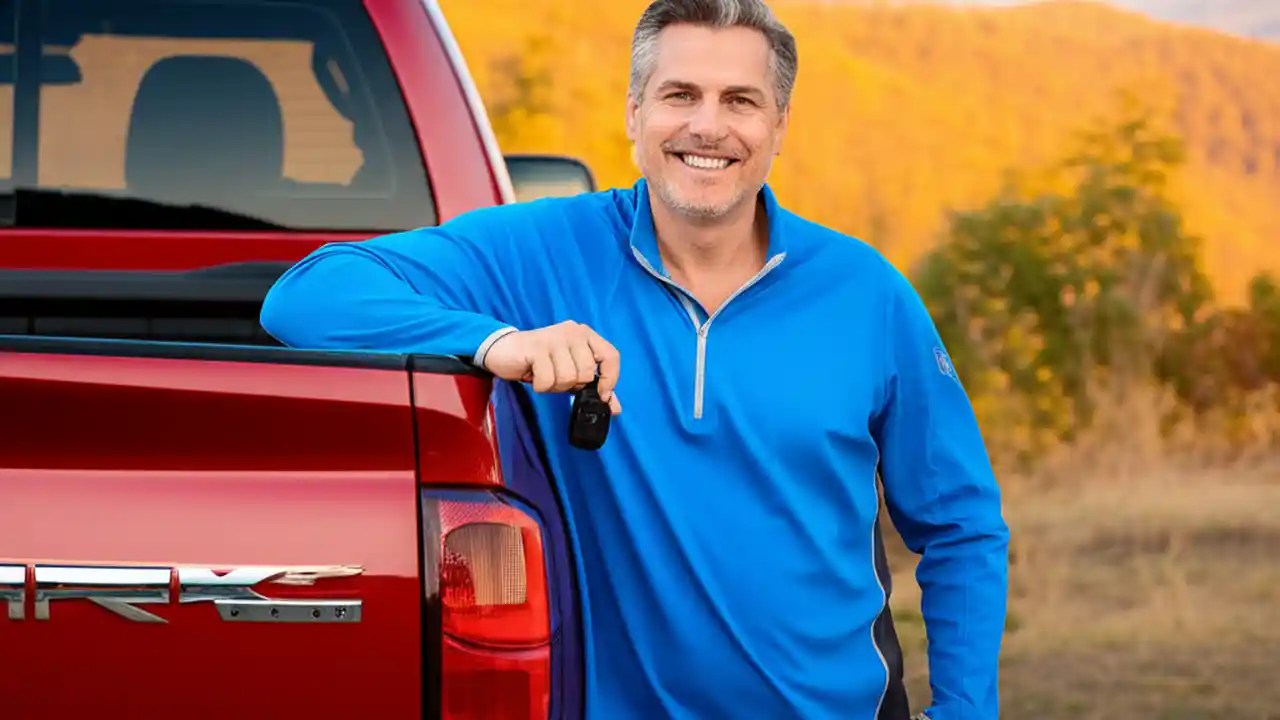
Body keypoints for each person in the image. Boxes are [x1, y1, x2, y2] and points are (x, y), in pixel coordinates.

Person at [259, 0, 1010, 717]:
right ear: (633, 113)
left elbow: (961, 524)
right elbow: (306, 295)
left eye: (740, 101)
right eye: (679, 94)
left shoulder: (866, 293)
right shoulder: (539, 253)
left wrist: (967, 712)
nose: (707, 127)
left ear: (779, 126)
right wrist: (502, 344)